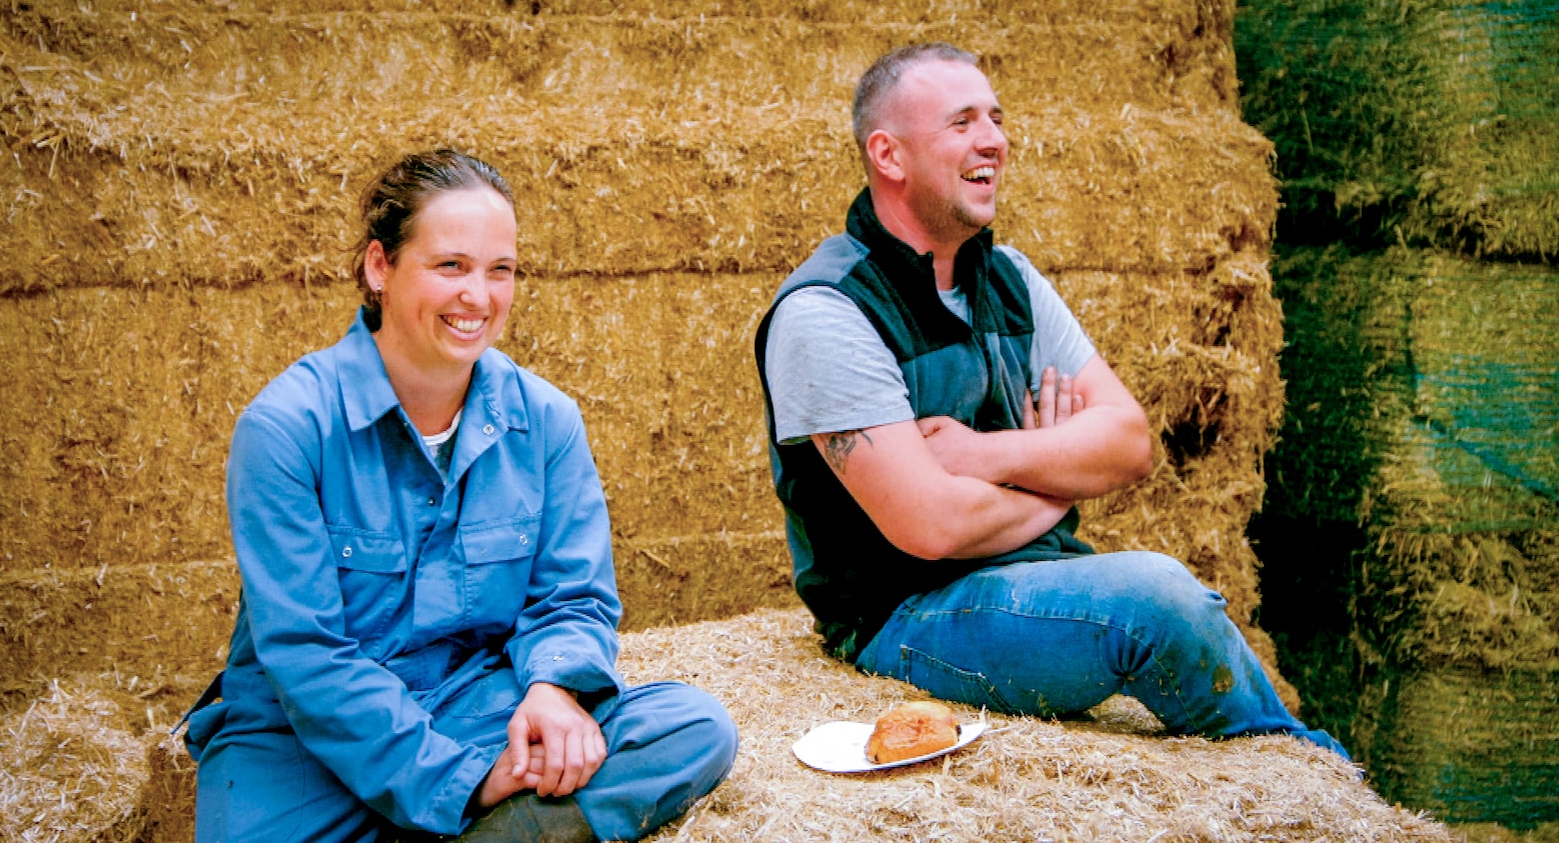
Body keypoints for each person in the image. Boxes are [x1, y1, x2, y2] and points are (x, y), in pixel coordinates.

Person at [754, 43, 1348, 757]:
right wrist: (1058, 488)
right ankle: (1291, 766)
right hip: (907, 614)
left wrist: (986, 454)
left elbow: (1130, 443)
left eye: (998, 119)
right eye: (963, 122)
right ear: (890, 155)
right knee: (1155, 600)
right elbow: (931, 527)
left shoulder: (1008, 278)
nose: (996, 141)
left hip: (1031, 574)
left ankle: (1305, 789)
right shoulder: (827, 311)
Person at [182, 149, 738, 843]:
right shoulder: (287, 429)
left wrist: (552, 691)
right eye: (451, 266)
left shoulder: (546, 422)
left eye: (499, 270)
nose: (478, 296)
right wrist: (467, 785)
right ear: (379, 267)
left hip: (474, 705)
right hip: (305, 741)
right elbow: (308, 656)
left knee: (691, 729)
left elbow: (571, 598)